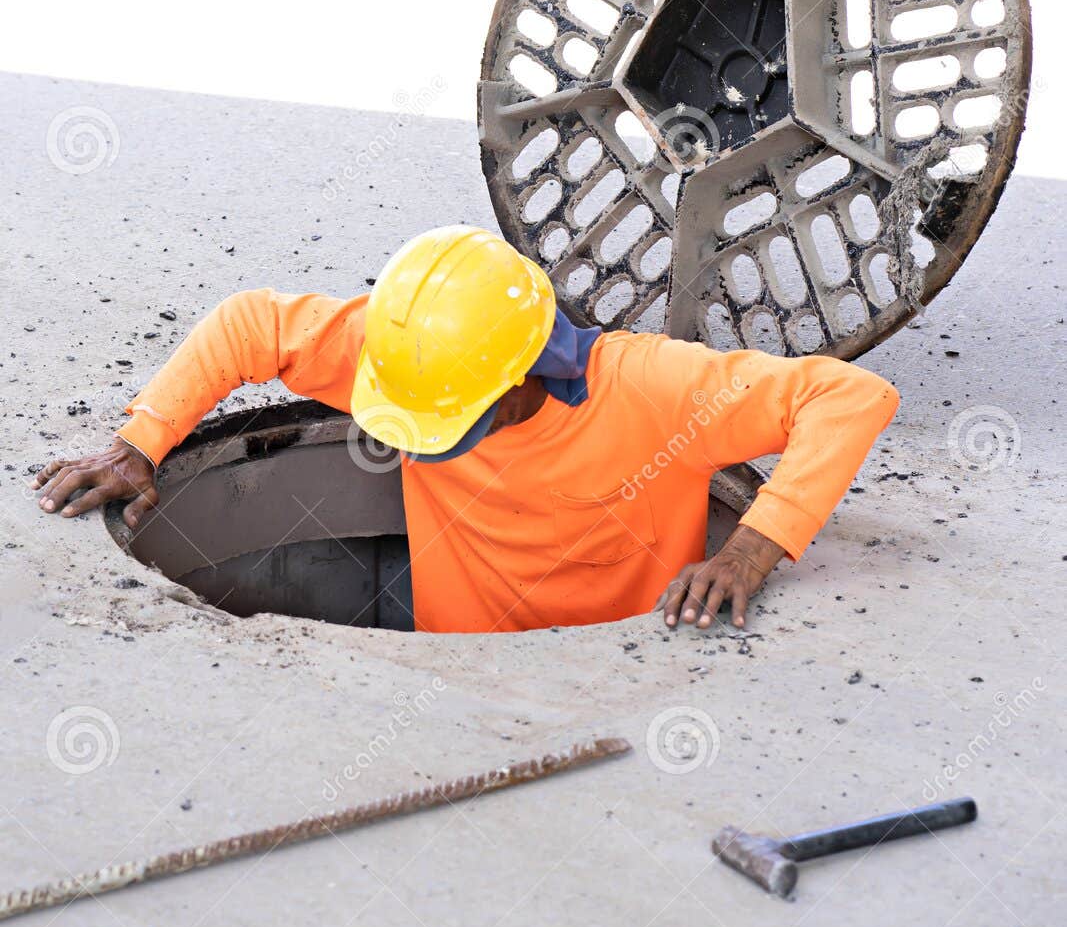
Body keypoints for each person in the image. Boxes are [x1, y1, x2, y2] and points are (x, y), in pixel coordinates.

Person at [33, 226, 899, 634]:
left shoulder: (655, 387)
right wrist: (138, 445)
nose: (415, 442)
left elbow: (848, 397)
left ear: (520, 376)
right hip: (451, 650)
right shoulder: (407, 346)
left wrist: (749, 549)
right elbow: (249, 321)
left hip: (627, 660)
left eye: (448, 423)